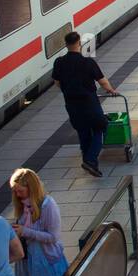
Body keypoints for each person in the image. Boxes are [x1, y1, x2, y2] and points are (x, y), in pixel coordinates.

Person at [51, 31, 119, 177]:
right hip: (89, 103)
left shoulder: (59, 62)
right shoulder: (87, 62)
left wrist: (68, 89)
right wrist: (111, 90)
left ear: (66, 45)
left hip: (71, 104)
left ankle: (88, 161)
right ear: (79, 44)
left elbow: (57, 82)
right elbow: (102, 81)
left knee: (82, 130)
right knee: (101, 127)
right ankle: (90, 159)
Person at [9, 168, 67, 276]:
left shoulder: (48, 205)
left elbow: (53, 237)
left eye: (20, 191)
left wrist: (25, 231)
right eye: (15, 191)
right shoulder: (22, 205)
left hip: (46, 262)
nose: (17, 195)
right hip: (28, 263)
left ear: (31, 188)